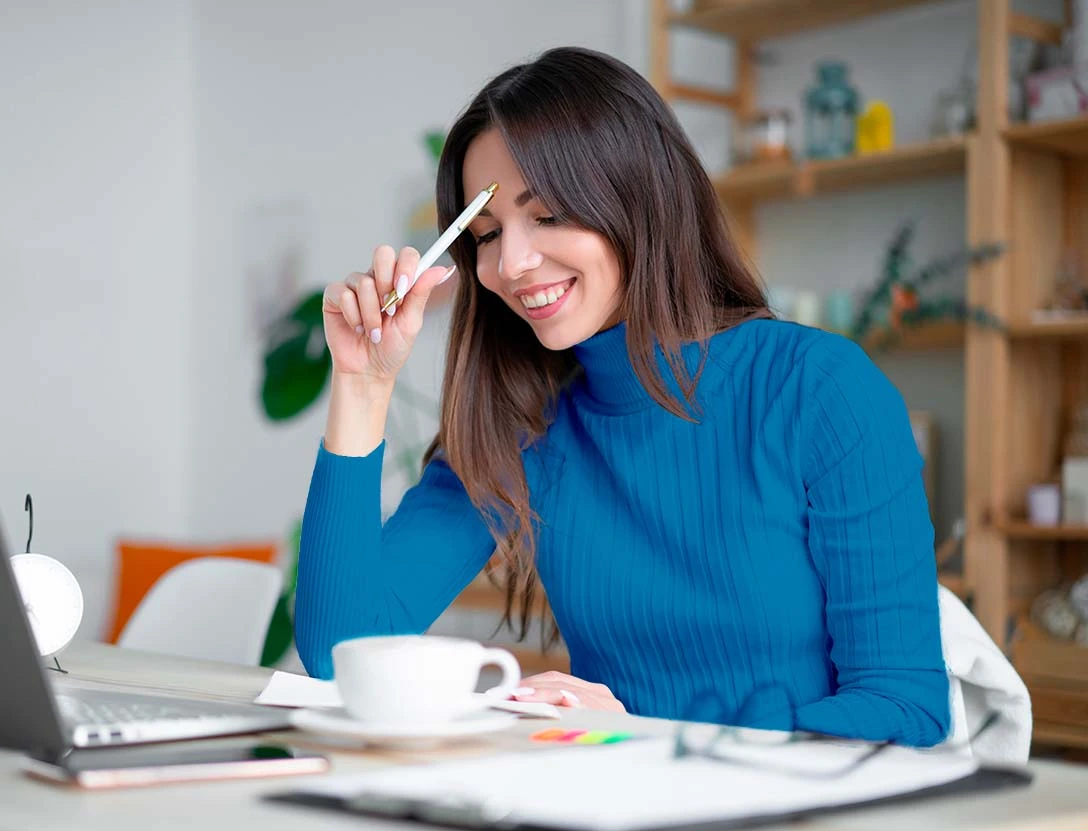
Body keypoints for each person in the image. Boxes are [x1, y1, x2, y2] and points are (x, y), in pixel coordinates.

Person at [294, 46, 950, 746]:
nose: (511, 264)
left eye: (547, 215)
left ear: (639, 196)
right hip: (606, 797)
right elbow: (340, 655)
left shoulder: (820, 391)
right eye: (487, 235)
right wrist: (362, 386)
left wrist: (651, 739)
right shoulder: (524, 422)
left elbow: (903, 710)